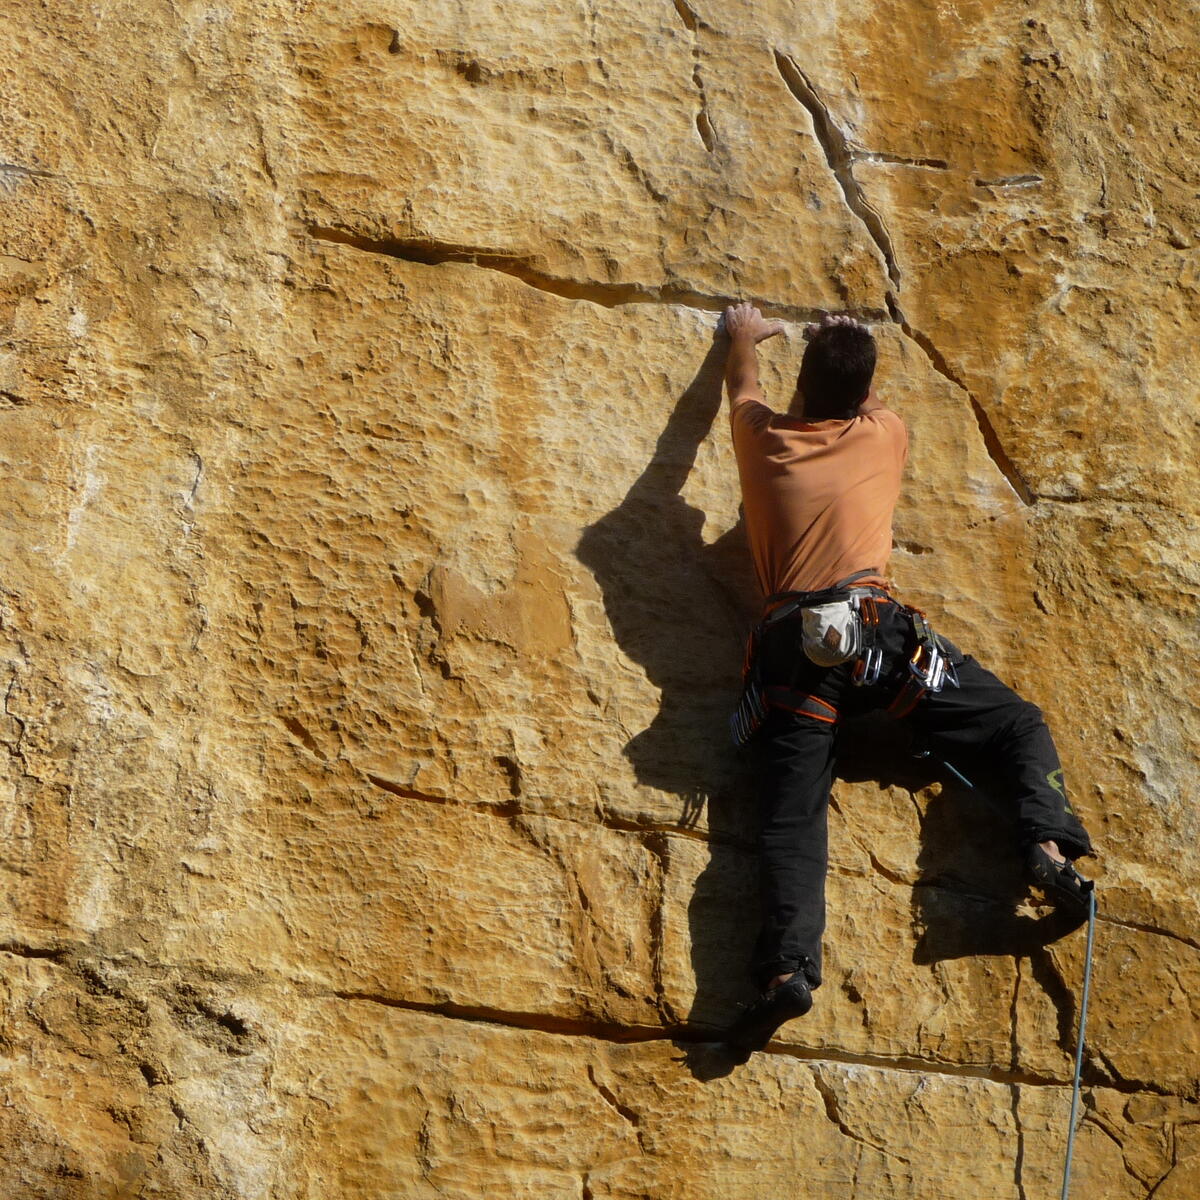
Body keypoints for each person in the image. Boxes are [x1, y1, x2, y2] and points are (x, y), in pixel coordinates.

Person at [719, 302, 1094, 1056]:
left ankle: (786, 973)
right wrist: (847, 340)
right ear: (864, 397)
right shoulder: (884, 434)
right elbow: (865, 399)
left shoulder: (762, 442)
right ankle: (1048, 850)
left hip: (796, 658)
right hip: (880, 642)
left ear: (802, 386)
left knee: (791, 820)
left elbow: (742, 386)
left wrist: (740, 336)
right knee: (1017, 723)